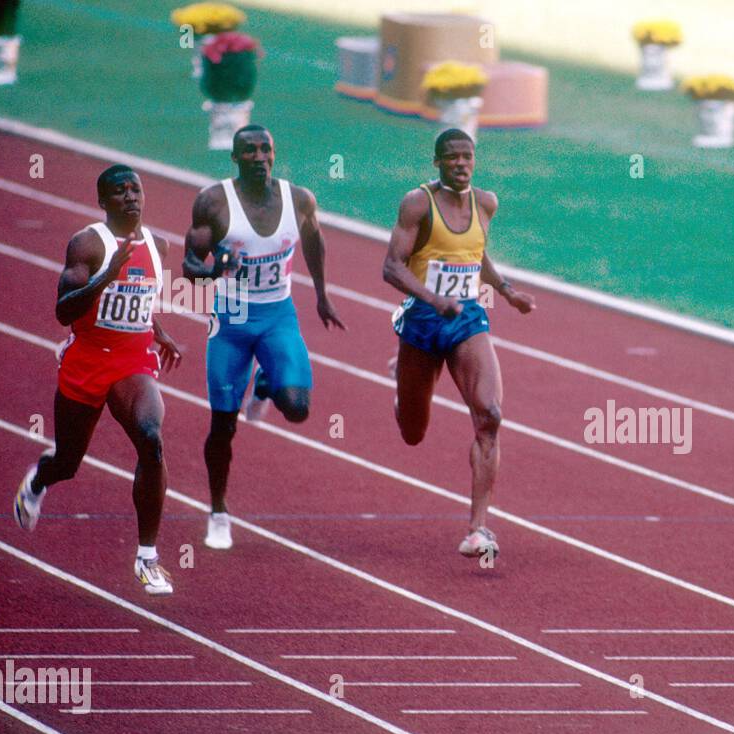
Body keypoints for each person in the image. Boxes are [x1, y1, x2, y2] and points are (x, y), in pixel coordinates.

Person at [13, 165, 183, 595]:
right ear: (103, 202)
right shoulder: (89, 244)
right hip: (87, 359)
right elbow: (63, 311)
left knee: (151, 437)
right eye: (119, 191)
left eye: (136, 189)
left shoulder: (158, 245)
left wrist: (159, 333)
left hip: (132, 360)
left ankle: (147, 558)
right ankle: (39, 480)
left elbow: (141, 300)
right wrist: (106, 277)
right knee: (68, 462)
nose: (130, 197)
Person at [184, 125, 344, 551]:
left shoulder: (299, 199)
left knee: (298, 409)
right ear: (235, 158)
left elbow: (314, 242)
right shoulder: (214, 202)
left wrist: (323, 296)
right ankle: (219, 511)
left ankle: (267, 382)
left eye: (265, 149)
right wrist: (217, 268)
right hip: (231, 321)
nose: (259, 157)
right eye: (249, 151)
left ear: (274, 153)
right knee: (223, 425)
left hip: (277, 315)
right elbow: (188, 267)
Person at [382, 129, 536, 562]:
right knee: (413, 432)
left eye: (467, 156)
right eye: (452, 157)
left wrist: (506, 291)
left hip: (466, 319)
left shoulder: (486, 203)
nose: (461, 163)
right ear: (437, 162)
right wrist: (434, 299)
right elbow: (391, 267)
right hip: (424, 320)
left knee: (490, 414)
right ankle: (403, 385)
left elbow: (476, 253)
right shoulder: (417, 204)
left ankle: (478, 529)